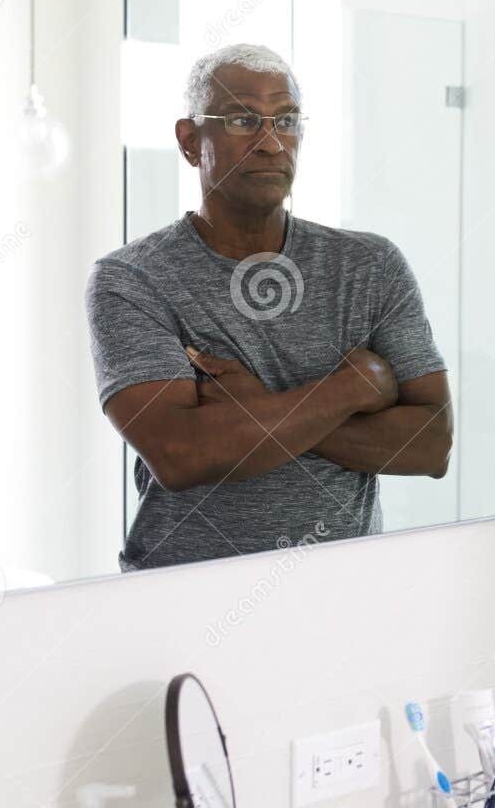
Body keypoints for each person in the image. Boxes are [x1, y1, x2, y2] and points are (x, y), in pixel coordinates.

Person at [86, 43, 452, 571]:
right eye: (242, 120)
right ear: (191, 142)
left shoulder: (369, 265)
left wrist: (255, 409)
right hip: (180, 596)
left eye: (287, 120)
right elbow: (180, 455)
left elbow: (430, 445)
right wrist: (353, 387)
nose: (271, 142)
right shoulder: (131, 279)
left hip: (345, 589)